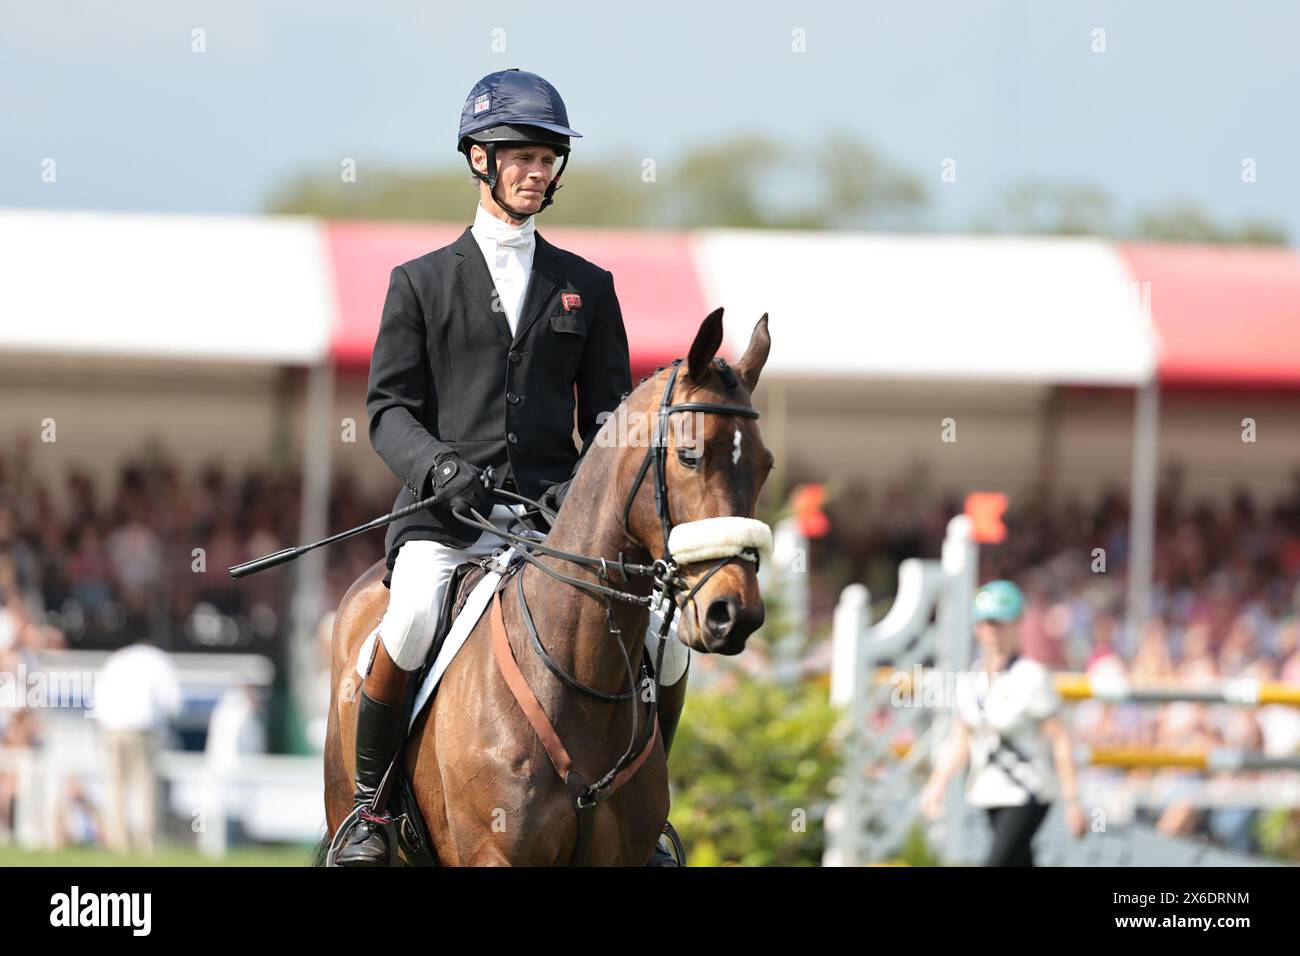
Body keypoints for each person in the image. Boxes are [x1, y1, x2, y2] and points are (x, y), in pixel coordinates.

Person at [337, 69, 687, 866]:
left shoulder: (587, 288)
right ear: (479, 160)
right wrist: (439, 470)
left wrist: (573, 493)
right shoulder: (420, 284)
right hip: (446, 521)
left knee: (665, 638)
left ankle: (646, 810)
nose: (537, 172)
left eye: (548, 158)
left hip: (552, 527)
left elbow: (608, 420)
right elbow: (389, 411)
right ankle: (372, 812)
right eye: (521, 156)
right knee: (414, 613)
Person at [920, 580, 1086, 866]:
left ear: (1014, 625)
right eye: (985, 623)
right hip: (989, 789)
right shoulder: (971, 681)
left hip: (1028, 791)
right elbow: (960, 741)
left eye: (998, 623)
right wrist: (937, 785)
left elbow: (1059, 739)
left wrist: (1072, 800)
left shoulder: (1031, 677)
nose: (990, 631)